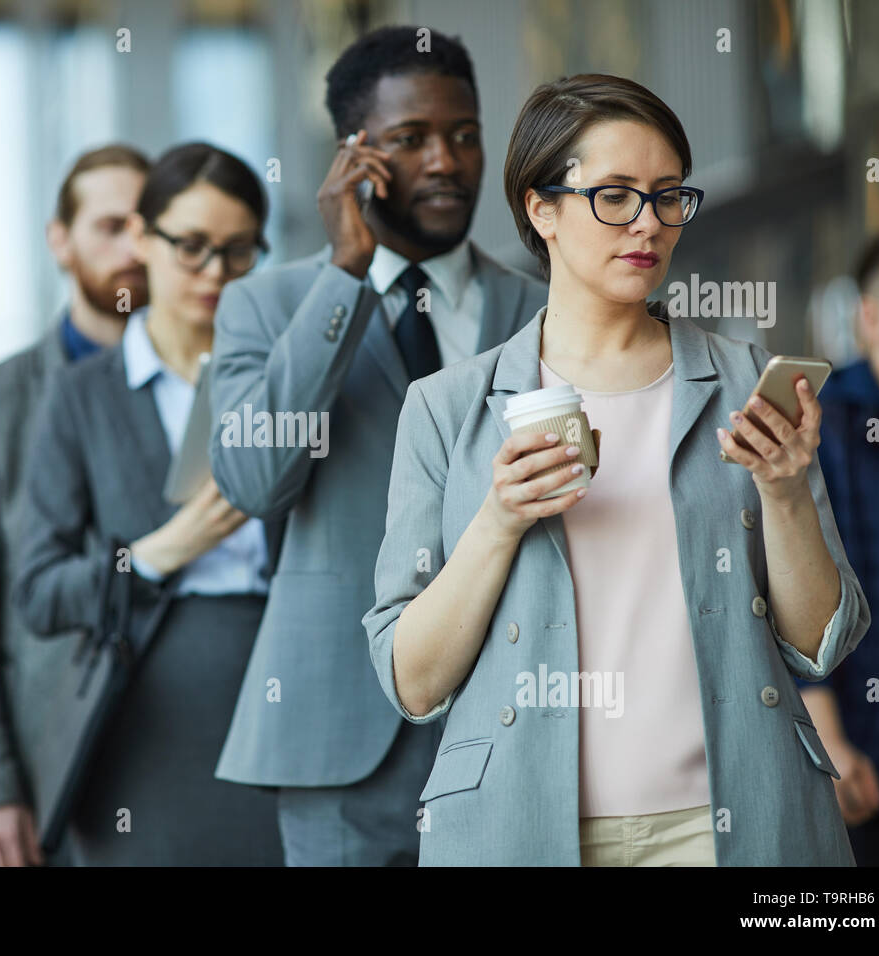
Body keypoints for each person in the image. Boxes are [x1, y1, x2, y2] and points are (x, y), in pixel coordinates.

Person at [363, 73, 872, 866]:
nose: (649, 224)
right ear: (543, 209)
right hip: (518, 828)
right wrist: (498, 521)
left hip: (733, 821)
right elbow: (415, 684)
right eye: (616, 196)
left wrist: (783, 493)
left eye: (668, 196)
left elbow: (822, 644)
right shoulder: (445, 409)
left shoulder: (747, 383)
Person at [205, 26, 545, 866]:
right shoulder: (269, 306)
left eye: (464, 135)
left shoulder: (545, 311)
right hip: (339, 735)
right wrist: (344, 277)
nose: (446, 161)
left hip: (519, 716)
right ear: (355, 155)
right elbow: (253, 479)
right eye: (411, 139)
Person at [14, 142, 284, 866]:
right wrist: (156, 554)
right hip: (141, 726)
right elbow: (37, 593)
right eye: (190, 246)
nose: (214, 273)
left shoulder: (289, 385)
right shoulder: (82, 397)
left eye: (238, 251)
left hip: (282, 704)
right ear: (142, 238)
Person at [0, 144, 149, 867]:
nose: (133, 248)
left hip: (196, 752)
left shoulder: (221, 388)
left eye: (149, 227)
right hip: (50, 763)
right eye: (110, 226)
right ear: (59, 240)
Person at [799, 224, 879, 865]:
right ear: (871, 318)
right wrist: (831, 741)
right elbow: (800, 592)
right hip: (873, 773)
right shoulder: (828, 429)